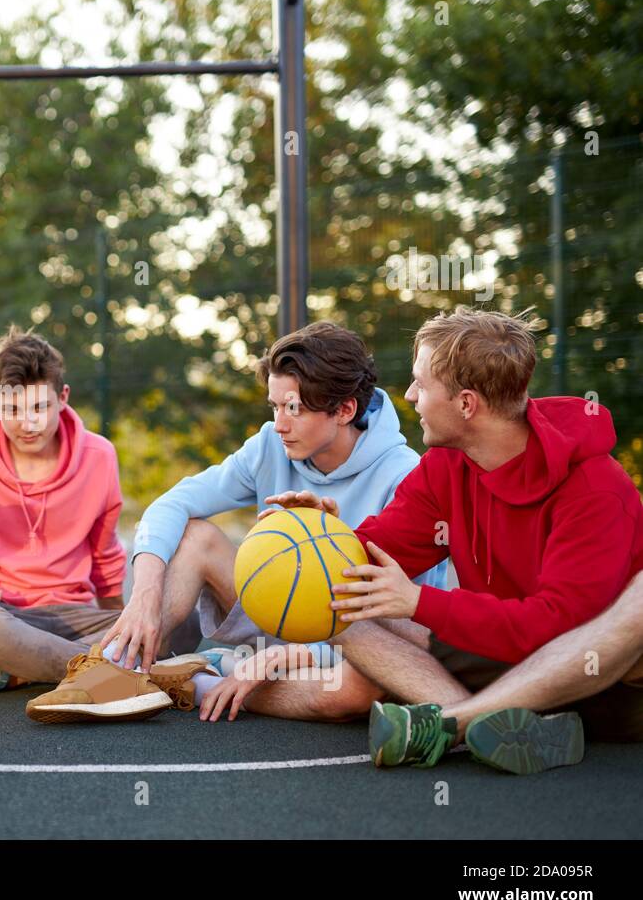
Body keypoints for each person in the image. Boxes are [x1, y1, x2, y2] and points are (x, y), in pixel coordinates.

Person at [271, 308, 643, 774]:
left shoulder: (595, 487)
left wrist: (418, 602)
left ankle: (456, 723)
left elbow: (560, 630)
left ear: (466, 404)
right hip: (501, 662)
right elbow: (370, 557)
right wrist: (323, 538)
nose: (409, 396)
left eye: (421, 385)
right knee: (344, 608)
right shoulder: (446, 467)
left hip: (603, 683)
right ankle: (508, 726)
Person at [42, 321, 448, 723]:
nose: (280, 423)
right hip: (267, 606)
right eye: (274, 406)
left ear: (344, 410)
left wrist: (285, 655)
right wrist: (144, 597)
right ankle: (115, 668)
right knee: (196, 536)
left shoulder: (404, 476)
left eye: (294, 409)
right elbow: (171, 504)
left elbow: (401, 627)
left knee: (352, 692)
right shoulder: (269, 444)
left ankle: (194, 682)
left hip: (343, 640)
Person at [0, 327, 140, 717]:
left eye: (39, 408)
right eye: (13, 409)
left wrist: (126, 623)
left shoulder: (100, 456)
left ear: (63, 398)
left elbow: (106, 556)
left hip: (75, 615)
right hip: (2, 617)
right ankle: (118, 669)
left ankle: (22, 673)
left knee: (174, 615)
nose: (28, 423)